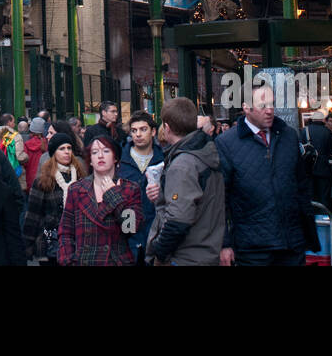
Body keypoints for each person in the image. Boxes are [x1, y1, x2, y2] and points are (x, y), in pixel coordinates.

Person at [216, 84, 317, 266]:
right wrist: (224, 244)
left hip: (291, 242)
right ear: (246, 107)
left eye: (272, 104)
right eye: (263, 106)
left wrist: (305, 229)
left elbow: (301, 184)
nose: (269, 110)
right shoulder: (226, 143)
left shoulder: (288, 136)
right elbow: (219, 197)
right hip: (253, 246)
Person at [144, 98, 224, 266]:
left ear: (166, 128)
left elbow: (178, 220)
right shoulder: (205, 153)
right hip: (207, 253)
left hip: (184, 257)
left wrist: (159, 253)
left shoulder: (183, 165)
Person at [57, 133, 143, 266]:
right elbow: (66, 231)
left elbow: (131, 228)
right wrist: (67, 260)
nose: (100, 156)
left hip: (116, 261)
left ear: (115, 157)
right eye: (95, 152)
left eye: (106, 151)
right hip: (83, 261)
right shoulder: (76, 189)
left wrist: (112, 194)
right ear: (90, 160)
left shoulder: (130, 189)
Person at [23, 132, 84, 265]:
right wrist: (28, 244)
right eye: (61, 149)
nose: (67, 152)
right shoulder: (43, 180)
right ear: (53, 153)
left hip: (77, 241)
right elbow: (33, 215)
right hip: (49, 242)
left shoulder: (81, 177)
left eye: (69, 148)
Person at [115, 110, 166, 263]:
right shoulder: (120, 158)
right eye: (134, 130)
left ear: (153, 132)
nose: (138, 134)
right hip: (128, 229)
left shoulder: (163, 158)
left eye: (143, 129)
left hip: (155, 226)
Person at [300, 109, 332, 212]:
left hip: (308, 169)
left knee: (311, 197)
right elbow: (331, 152)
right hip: (324, 169)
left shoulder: (304, 131)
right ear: (323, 120)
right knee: (324, 197)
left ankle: (313, 220)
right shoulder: (327, 132)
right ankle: (325, 220)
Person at [0, 113, 28, 191]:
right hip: (13, 175)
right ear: (8, 122)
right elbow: (20, 157)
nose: (14, 124)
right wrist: (26, 157)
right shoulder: (16, 136)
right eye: (13, 122)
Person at [23, 117, 48, 191]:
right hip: (44, 179)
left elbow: (25, 163)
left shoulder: (27, 145)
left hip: (30, 179)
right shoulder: (46, 144)